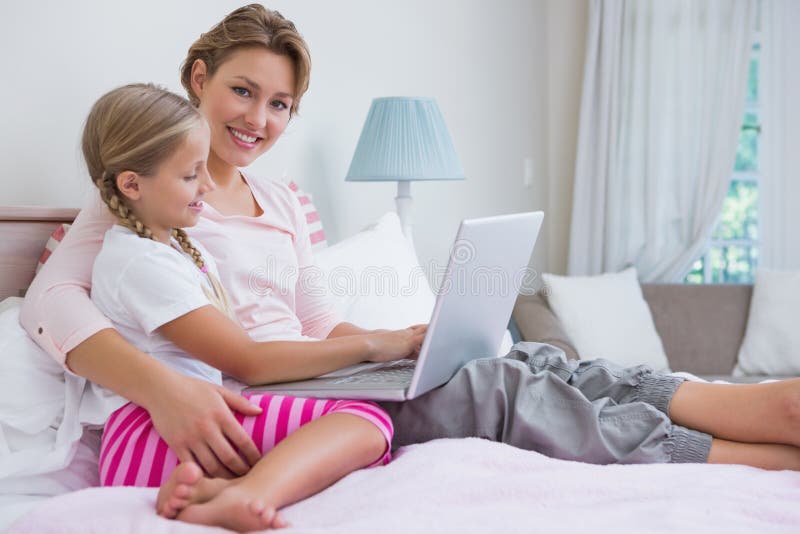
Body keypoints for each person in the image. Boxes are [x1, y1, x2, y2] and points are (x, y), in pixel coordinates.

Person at [21, 3, 800, 498]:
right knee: (496, 386)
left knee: (534, 363)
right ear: (200, 79)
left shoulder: (285, 199)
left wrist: (396, 351)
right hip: (266, 390)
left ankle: (745, 404)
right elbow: (53, 303)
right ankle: (743, 454)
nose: (260, 118)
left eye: (282, 103)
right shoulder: (145, 202)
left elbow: (320, 320)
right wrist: (161, 387)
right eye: (243, 91)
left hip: (323, 369)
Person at [81, 83, 407, 532]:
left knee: (355, 431)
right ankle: (248, 494)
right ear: (132, 184)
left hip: (187, 439)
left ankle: (214, 492)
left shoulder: (175, 248)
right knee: (365, 421)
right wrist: (370, 345)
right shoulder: (138, 262)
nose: (210, 185)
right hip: (148, 439)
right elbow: (248, 361)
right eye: (192, 174)